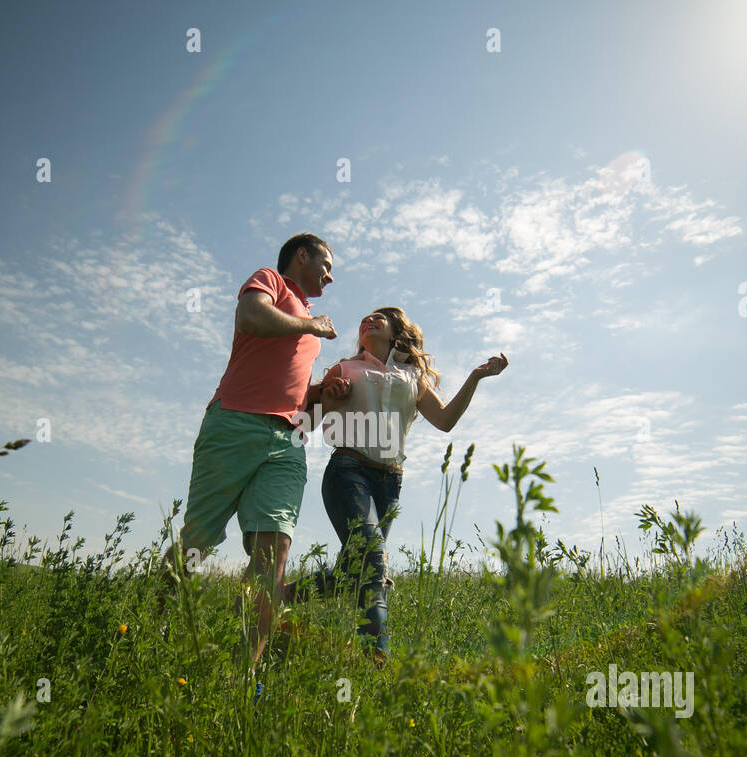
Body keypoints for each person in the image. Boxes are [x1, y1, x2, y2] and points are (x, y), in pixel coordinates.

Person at [286, 307, 508, 663]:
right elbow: (306, 425)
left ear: (396, 333)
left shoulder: (412, 375)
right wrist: (326, 394)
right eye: (365, 318)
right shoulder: (345, 368)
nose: (369, 321)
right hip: (347, 472)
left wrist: (475, 377)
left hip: (390, 483)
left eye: (380, 318)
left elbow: (446, 420)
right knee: (374, 562)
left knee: (352, 571)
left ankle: (282, 597)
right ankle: (377, 661)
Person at [173, 234, 349, 669]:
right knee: (197, 542)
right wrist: (313, 325)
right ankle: (144, 633)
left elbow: (291, 393)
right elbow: (251, 317)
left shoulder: (306, 316)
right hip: (235, 421)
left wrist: (322, 393)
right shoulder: (270, 281)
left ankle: (240, 674)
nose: (330, 273)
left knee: (273, 556)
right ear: (301, 256)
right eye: (325, 263)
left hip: (287, 441)